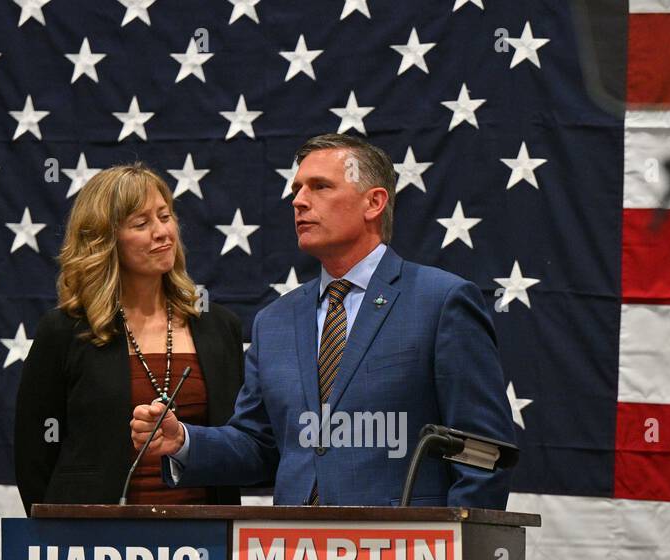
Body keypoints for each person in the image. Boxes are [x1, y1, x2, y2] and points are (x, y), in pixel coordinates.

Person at [129, 133, 514, 508]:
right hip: (293, 559)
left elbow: (481, 451)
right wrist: (184, 441)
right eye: (297, 189)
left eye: (319, 187)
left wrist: (455, 546)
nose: (298, 201)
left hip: (407, 558)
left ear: (374, 202)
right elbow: (259, 445)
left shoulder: (440, 301)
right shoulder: (274, 321)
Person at [15, 163, 244, 511]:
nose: (162, 232)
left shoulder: (219, 326)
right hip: (94, 546)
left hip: (205, 538)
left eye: (165, 217)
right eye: (141, 223)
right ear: (104, 240)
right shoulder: (64, 331)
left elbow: (240, 441)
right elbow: (35, 456)